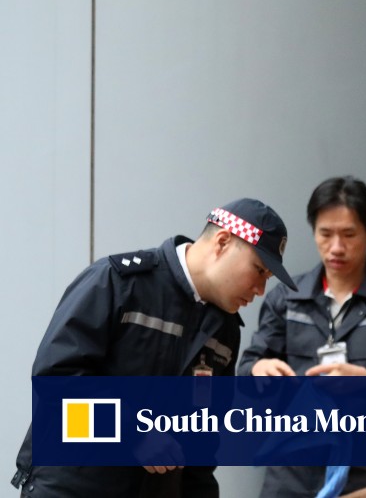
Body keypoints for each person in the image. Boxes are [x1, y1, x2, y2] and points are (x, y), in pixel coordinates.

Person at [12, 198, 298, 498]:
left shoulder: (224, 332)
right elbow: (55, 384)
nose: (261, 289)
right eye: (259, 270)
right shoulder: (119, 283)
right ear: (223, 242)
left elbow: (200, 448)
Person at [237, 176, 366, 497]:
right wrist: (259, 371)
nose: (336, 248)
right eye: (325, 234)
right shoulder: (285, 300)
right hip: (291, 471)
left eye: (349, 234)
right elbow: (250, 366)